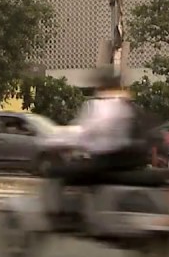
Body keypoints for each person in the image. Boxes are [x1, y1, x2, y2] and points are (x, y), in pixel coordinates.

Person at [46, 66, 148, 219]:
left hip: (106, 160)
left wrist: (57, 142)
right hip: (125, 160)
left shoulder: (102, 105)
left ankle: (61, 215)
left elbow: (87, 132)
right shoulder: (125, 103)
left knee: (58, 172)